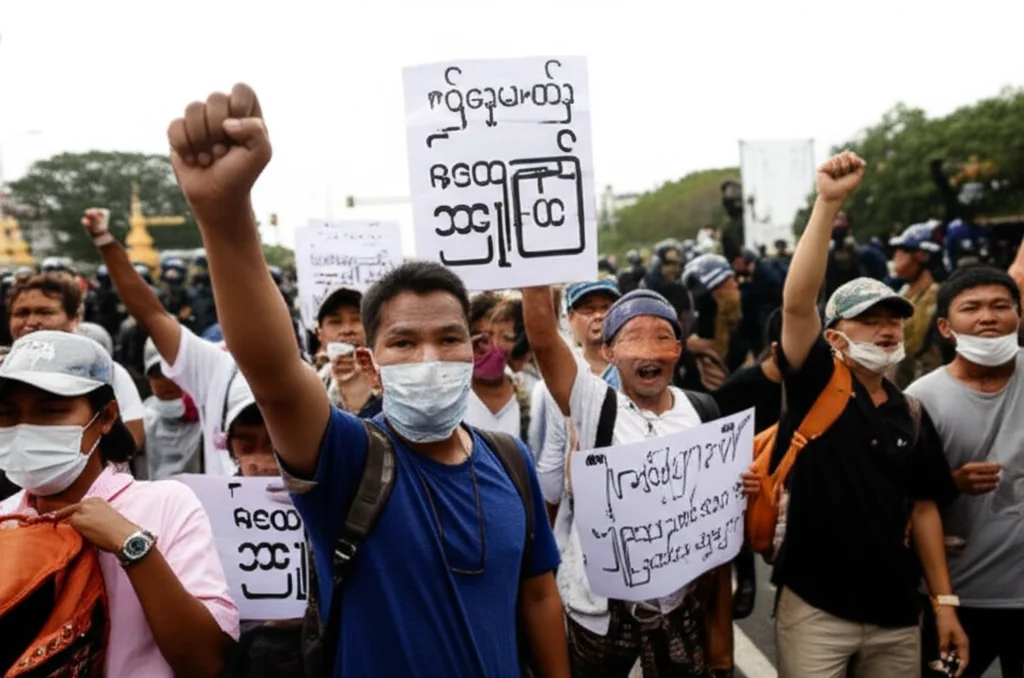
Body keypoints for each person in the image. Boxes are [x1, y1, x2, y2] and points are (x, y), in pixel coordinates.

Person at [165, 82, 567, 677]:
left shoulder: (510, 461)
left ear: (473, 349)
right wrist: (224, 219)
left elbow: (536, 594)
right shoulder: (350, 459)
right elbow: (274, 373)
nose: (429, 356)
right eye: (404, 342)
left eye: (448, 338)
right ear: (372, 361)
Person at [770, 151, 967, 677]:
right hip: (815, 611)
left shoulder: (913, 413)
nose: (886, 330)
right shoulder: (813, 385)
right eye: (868, 321)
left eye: (893, 322)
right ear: (833, 337)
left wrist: (943, 605)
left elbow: (924, 509)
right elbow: (796, 304)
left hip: (897, 616)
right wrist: (827, 204)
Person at [522, 283, 733, 677]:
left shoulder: (702, 411)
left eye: (662, 337)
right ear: (609, 352)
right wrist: (535, 281)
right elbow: (545, 341)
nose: (649, 350)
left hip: (678, 613)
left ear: (677, 350)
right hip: (598, 618)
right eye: (633, 337)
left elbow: (717, 526)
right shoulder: (593, 404)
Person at [0, 331, 238, 678]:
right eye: (8, 414)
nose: (27, 428)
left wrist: (134, 547)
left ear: (107, 417)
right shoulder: (5, 518)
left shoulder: (166, 505)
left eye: (51, 411)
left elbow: (205, 660)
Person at [906, 265, 1024, 678]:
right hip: (959, 602)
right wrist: (949, 484)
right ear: (944, 326)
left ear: (1019, 316)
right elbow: (905, 499)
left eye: (1001, 306)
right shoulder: (918, 401)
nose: (987, 317)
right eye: (970, 308)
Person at [82, 207, 238, 476]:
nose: (166, 381)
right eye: (157, 373)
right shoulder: (213, 370)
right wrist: (106, 243)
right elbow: (151, 314)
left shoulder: (288, 377)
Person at [7, 272, 145, 450]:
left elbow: (134, 439)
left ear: (74, 318)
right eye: (21, 313)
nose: (31, 322)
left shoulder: (106, 372)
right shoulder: (4, 370)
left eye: (45, 312)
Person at [889, 221, 945, 389]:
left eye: (903, 250)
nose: (896, 255)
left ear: (921, 255)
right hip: (905, 380)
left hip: (925, 383)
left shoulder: (935, 295)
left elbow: (914, 342)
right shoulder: (905, 290)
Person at [139, 337, 203, 480]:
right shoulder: (141, 418)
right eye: (158, 373)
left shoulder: (209, 414)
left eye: (173, 369)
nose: (167, 379)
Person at [313, 286, 382, 418]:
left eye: (357, 320)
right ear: (319, 334)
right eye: (335, 322)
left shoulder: (393, 380)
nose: (347, 330)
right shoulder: (307, 382)